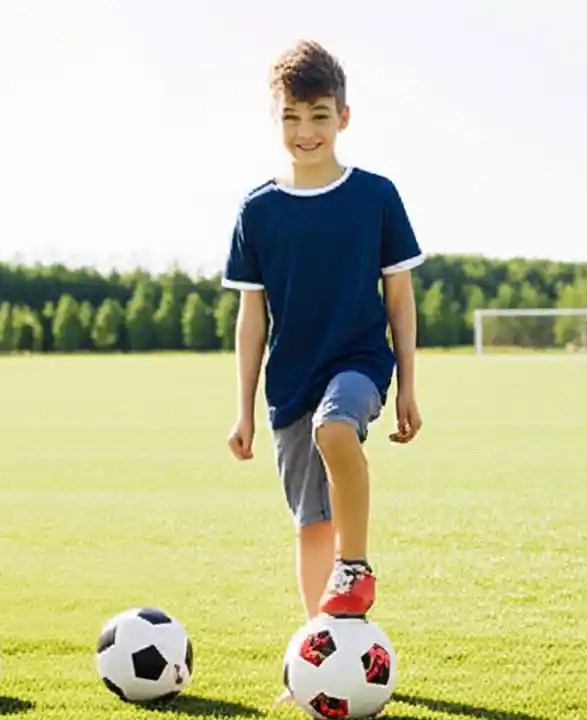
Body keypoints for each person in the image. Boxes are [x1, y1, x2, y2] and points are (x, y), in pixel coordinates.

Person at [222, 39, 424, 628]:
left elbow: (400, 299)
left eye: (318, 115)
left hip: (359, 360)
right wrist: (243, 410)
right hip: (290, 380)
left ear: (343, 116)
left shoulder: (375, 197)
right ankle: (322, 653)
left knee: (335, 428)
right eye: (291, 116)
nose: (305, 130)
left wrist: (408, 386)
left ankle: (355, 566)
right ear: (274, 119)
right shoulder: (257, 210)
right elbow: (251, 317)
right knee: (311, 526)